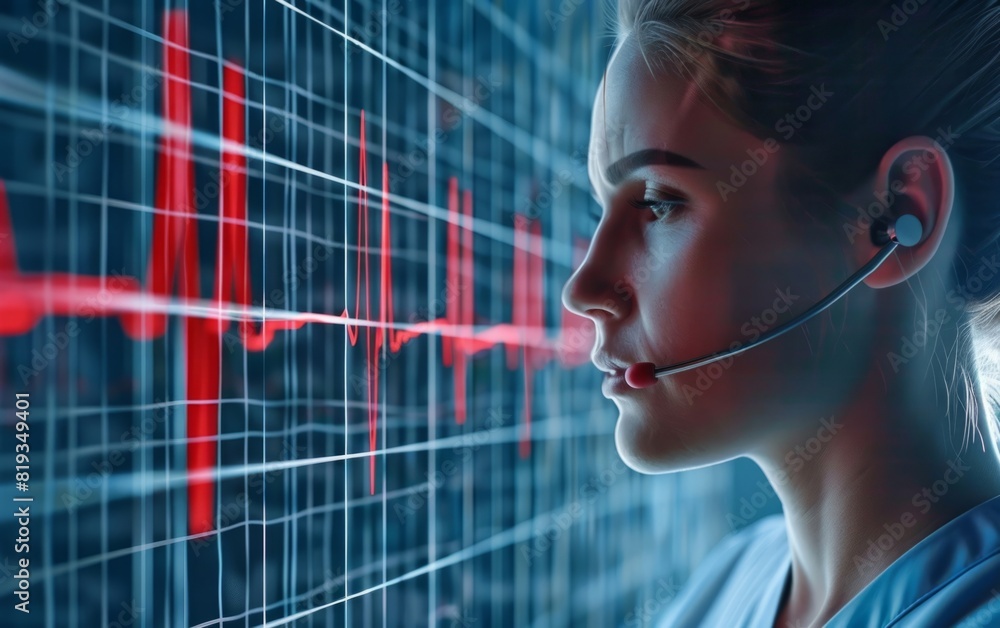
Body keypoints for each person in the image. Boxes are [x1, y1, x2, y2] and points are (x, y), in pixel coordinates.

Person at [560, 1, 1000, 626]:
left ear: (900, 214)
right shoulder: (729, 582)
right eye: (602, 208)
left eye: (658, 204)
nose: (583, 288)